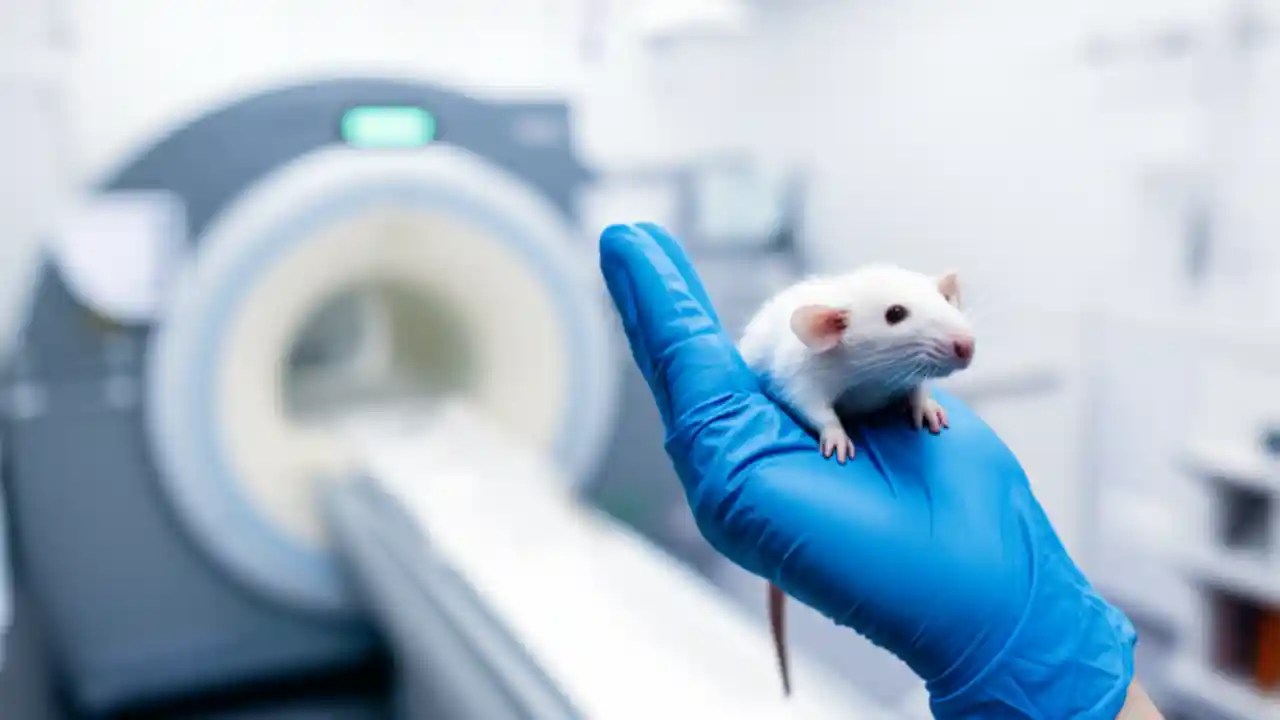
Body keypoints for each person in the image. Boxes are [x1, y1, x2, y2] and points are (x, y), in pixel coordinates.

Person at [597, 222, 1165, 719]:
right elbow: (800, 384)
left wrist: (919, 399)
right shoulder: (815, 343)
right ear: (832, 328)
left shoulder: (895, 355)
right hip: (789, 417)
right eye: (897, 317)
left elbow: (905, 376)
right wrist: (828, 428)